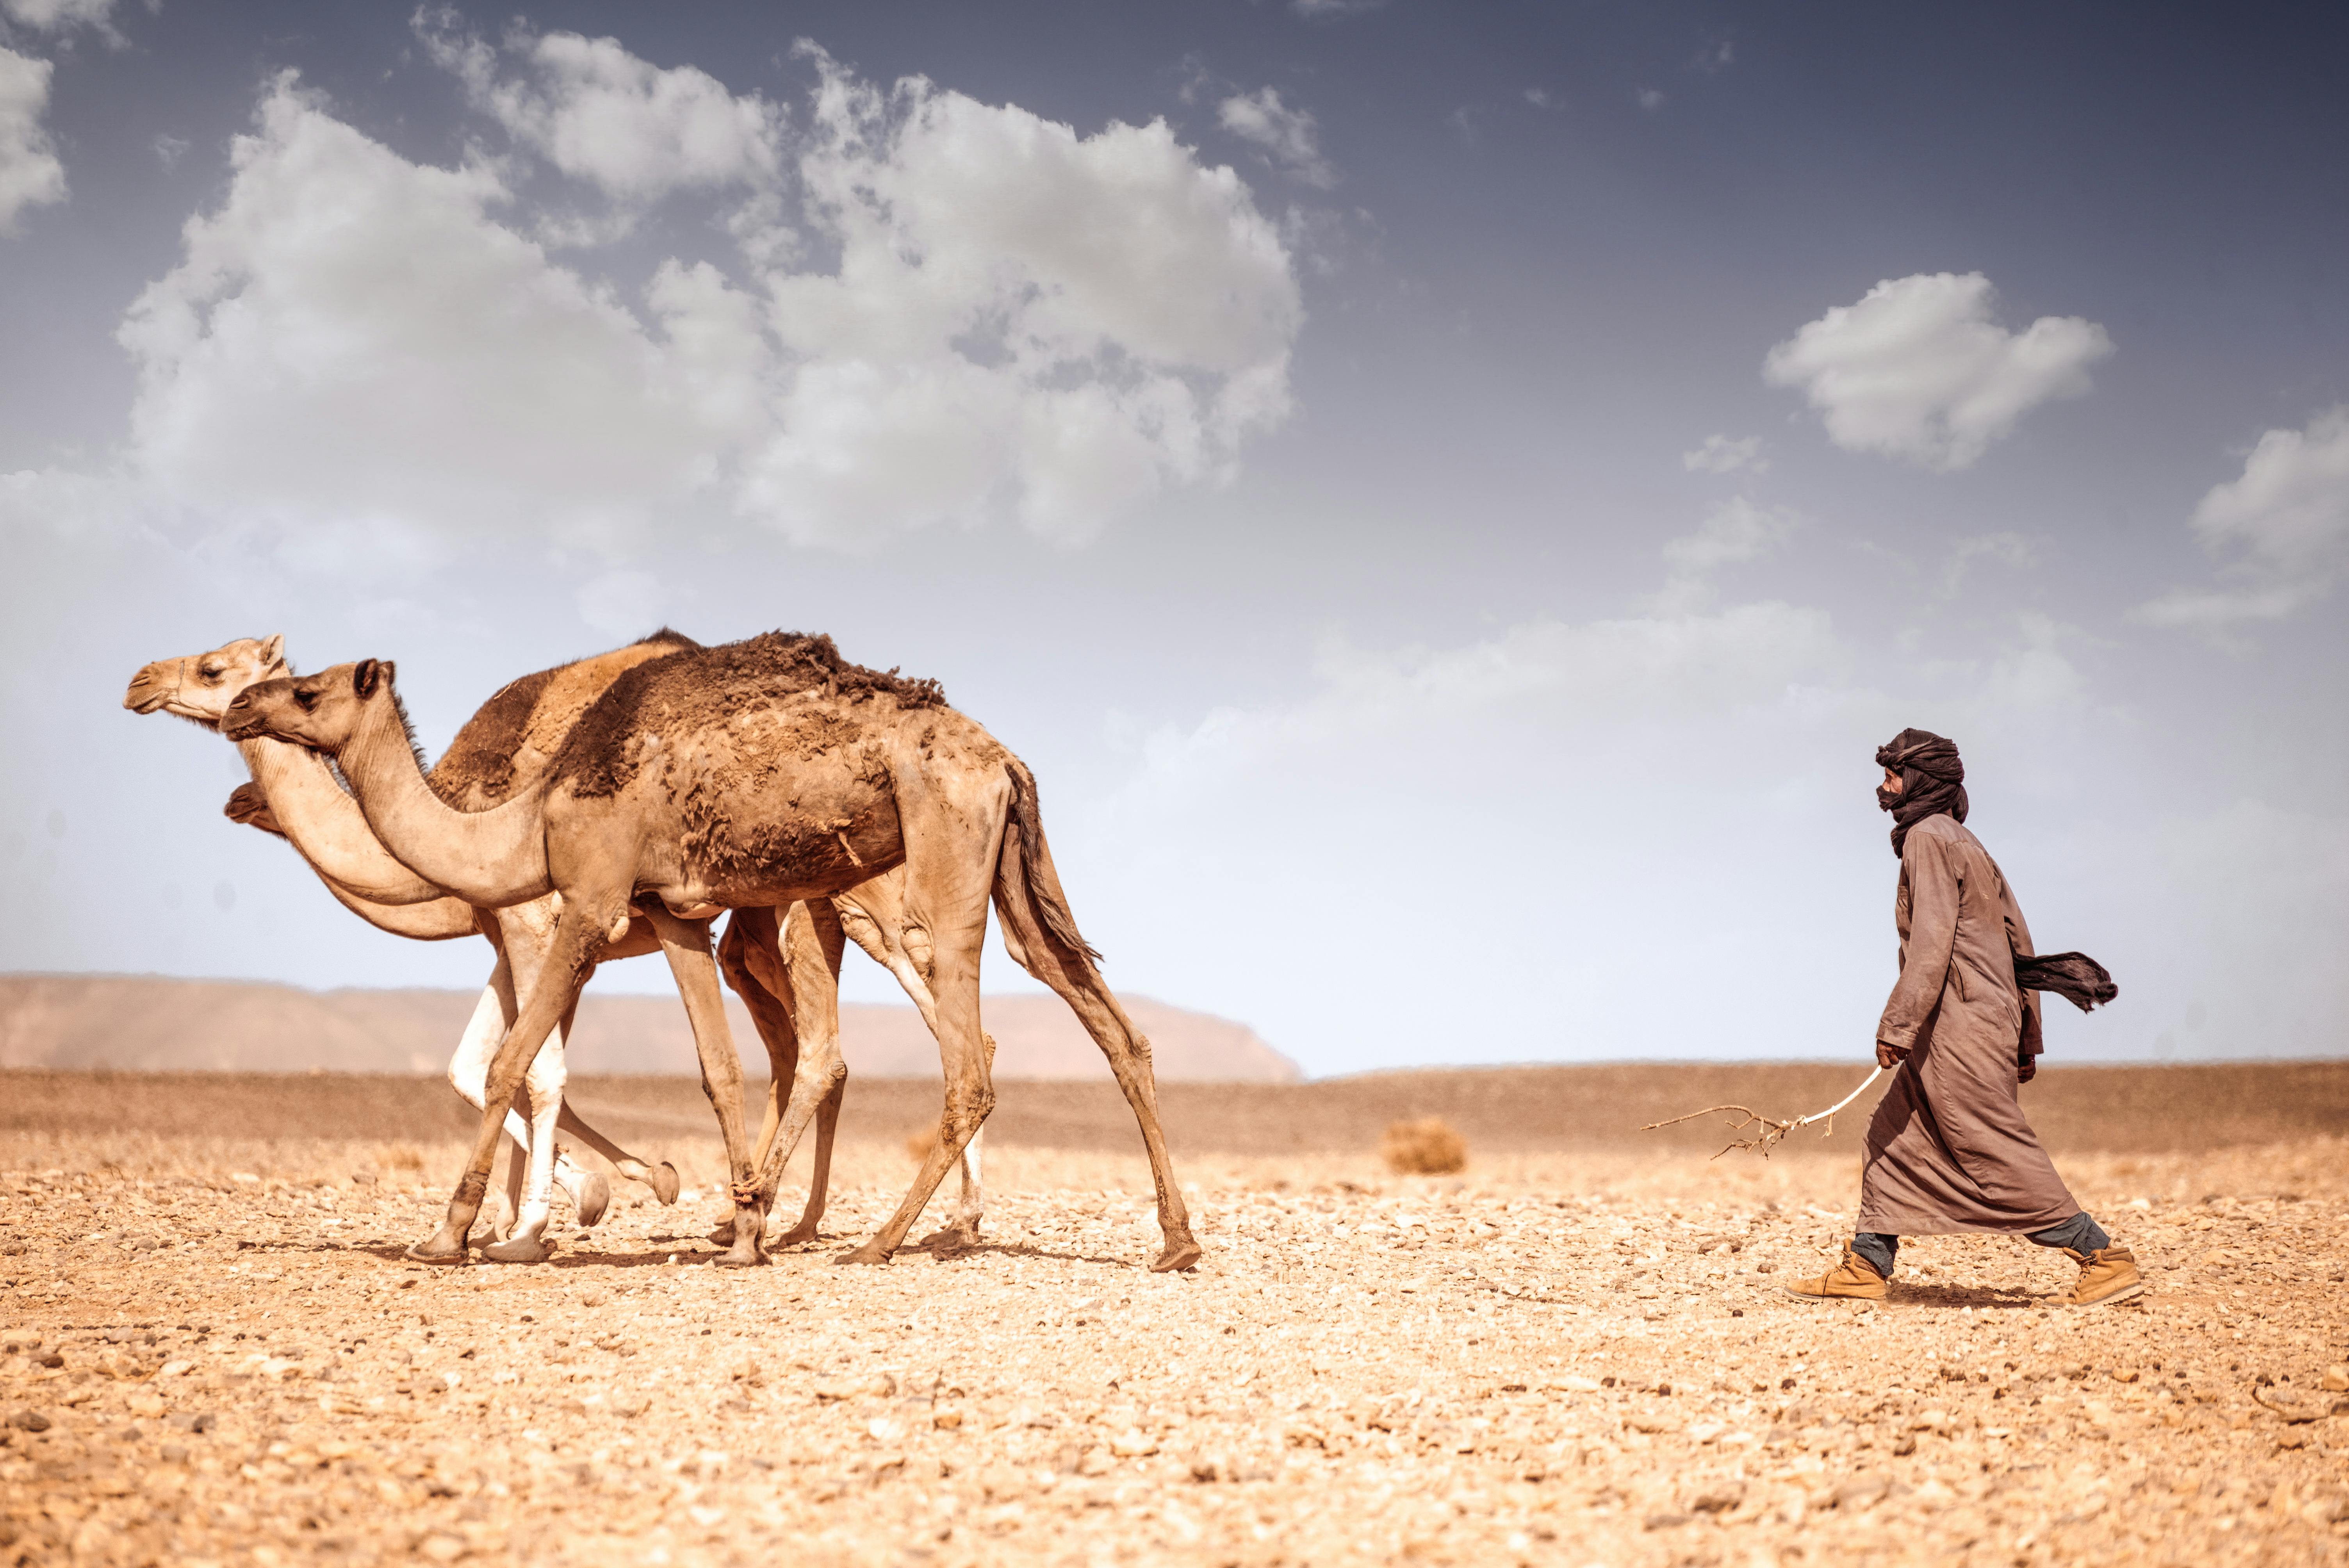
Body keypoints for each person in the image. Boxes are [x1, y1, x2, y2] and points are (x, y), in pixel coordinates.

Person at [1786, 729, 2141, 1308]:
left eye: (1893, 776)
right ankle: (1867, 1266)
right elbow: (2015, 941)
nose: (1884, 787)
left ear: (1921, 779)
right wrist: (2027, 1033)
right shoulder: (1964, 841)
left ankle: (2103, 1259)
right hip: (1974, 1018)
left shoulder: (1929, 838)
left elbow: (1931, 943)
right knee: (1890, 1136)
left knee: (1990, 1145)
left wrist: (1897, 1026)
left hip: (1958, 1022)